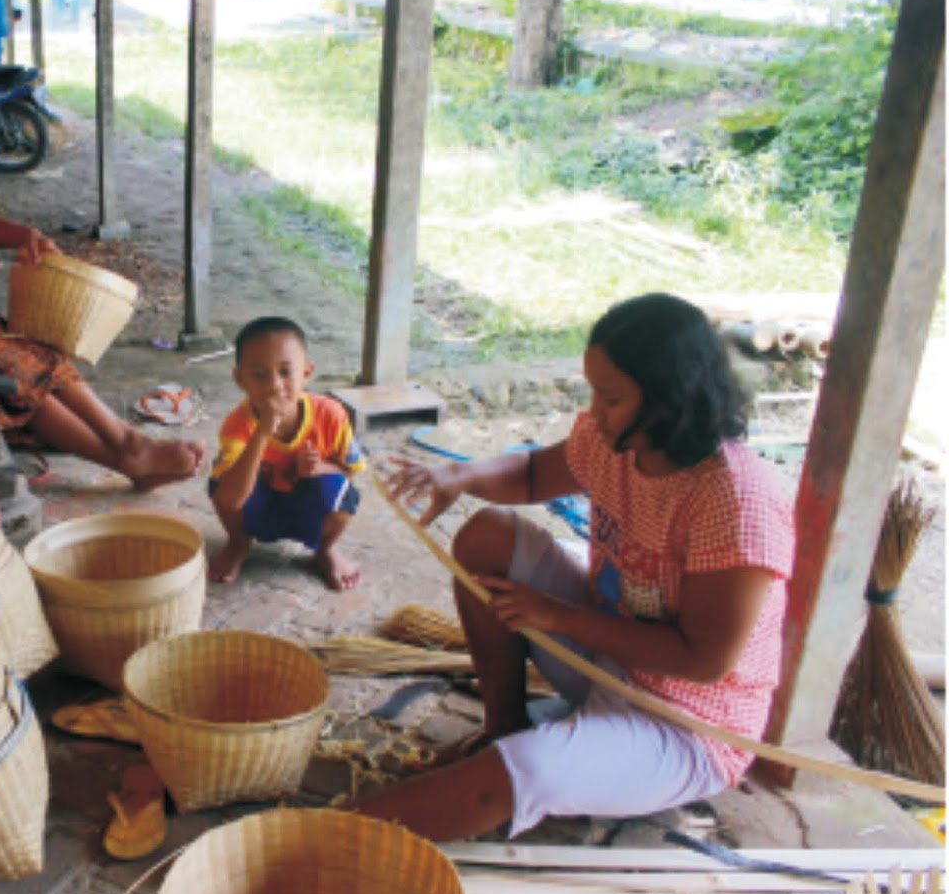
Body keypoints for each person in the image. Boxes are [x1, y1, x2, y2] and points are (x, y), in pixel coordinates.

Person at [349, 292, 794, 841]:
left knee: (526, 773)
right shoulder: (618, 442)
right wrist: (459, 477)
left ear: (667, 401)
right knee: (487, 537)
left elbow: (703, 660)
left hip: (687, 722)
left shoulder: (734, 501)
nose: (593, 412)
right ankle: (503, 728)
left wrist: (557, 617)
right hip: (612, 657)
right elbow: (534, 474)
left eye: (609, 398)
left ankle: (324, 837)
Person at [0, 94, 204, 489]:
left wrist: (25, 237)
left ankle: (129, 445)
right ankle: (126, 454)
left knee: (42, 352)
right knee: (19, 372)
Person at [209, 317, 367, 590]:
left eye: (286, 372)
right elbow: (230, 499)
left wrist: (320, 469)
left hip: (308, 508)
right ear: (240, 379)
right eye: (259, 374)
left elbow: (351, 471)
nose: (274, 385)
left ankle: (325, 550)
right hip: (258, 509)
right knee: (220, 483)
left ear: (306, 373)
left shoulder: (330, 414)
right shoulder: (238, 425)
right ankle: (238, 542)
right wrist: (262, 434)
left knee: (343, 491)